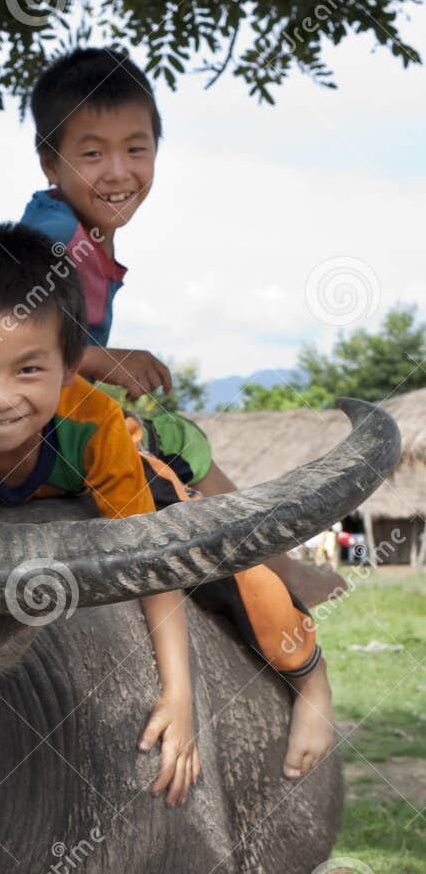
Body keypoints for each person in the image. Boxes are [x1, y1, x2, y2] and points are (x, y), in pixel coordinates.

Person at [0, 224, 334, 783]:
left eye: (28, 369)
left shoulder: (94, 425)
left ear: (69, 369)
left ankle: (309, 678)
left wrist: (179, 696)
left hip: (105, 478)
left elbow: (151, 563)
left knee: (218, 555)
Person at [21, 44, 343, 609]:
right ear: (52, 162)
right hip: (41, 421)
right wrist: (109, 360)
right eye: (92, 154)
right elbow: (21, 331)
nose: (118, 171)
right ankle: (285, 571)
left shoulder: (68, 225)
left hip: (58, 409)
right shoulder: (58, 238)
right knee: (185, 444)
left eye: (136, 149)